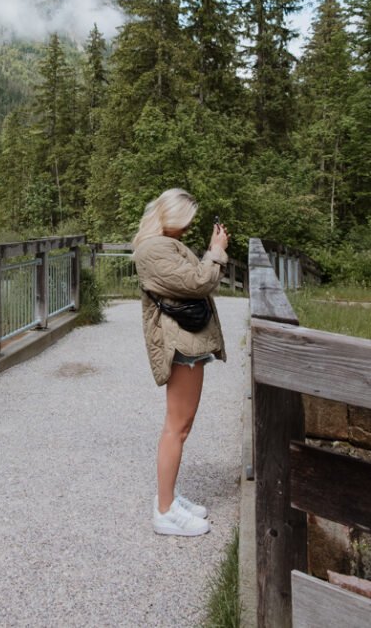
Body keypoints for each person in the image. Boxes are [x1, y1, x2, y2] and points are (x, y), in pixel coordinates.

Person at [132, 188, 229, 537]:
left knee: (180, 426)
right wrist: (216, 252)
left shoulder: (166, 244)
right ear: (169, 218)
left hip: (187, 342)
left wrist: (211, 252)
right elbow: (198, 282)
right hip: (181, 346)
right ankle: (164, 510)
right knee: (177, 426)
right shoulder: (154, 249)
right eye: (184, 221)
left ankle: (169, 498)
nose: (187, 228)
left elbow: (196, 280)